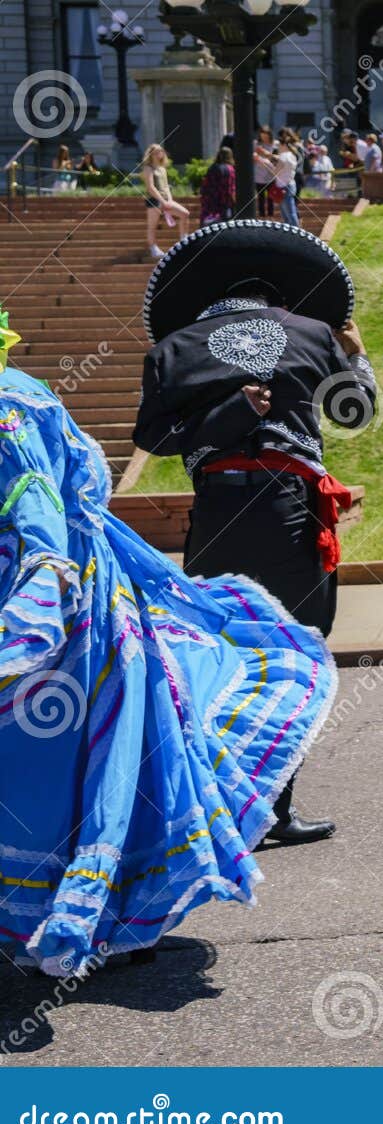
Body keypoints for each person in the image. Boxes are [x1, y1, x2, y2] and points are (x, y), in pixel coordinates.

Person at [0, 310, 339, 976]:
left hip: (69, 611)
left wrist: (40, 585)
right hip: (74, 591)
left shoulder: (11, 405)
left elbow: (37, 495)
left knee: (99, 760)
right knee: (88, 757)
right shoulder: (170, 362)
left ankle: (114, 907)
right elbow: (150, 437)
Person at [134, 219, 381, 845]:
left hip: (215, 519)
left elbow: (152, 440)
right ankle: (275, 808)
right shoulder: (312, 333)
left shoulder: (174, 349)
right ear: (277, 298)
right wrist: (357, 352)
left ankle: (217, 803)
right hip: (289, 516)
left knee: (219, 655)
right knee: (292, 654)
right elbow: (358, 412)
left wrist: (222, 417)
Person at [140, 144, 189, 259]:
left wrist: (169, 200)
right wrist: (162, 201)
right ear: (151, 154)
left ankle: (184, 240)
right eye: (156, 152)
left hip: (166, 200)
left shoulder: (162, 168)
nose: (159, 154)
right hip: (154, 201)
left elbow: (166, 186)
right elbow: (150, 187)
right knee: (152, 226)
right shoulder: (148, 168)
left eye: (161, 151)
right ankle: (153, 249)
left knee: (185, 214)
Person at [199, 145, 237, 225]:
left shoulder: (212, 167)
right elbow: (231, 188)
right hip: (225, 203)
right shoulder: (230, 169)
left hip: (210, 202)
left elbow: (205, 185)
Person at [273, 143, 301, 227]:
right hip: (290, 185)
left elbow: (275, 172)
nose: (277, 148)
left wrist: (267, 164)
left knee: (288, 215)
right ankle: (293, 235)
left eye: (279, 145)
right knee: (290, 214)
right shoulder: (292, 156)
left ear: (284, 146)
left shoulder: (284, 156)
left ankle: (295, 236)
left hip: (284, 187)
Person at [253, 127, 277, 217]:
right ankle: (262, 217)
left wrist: (265, 155)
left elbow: (277, 158)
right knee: (261, 198)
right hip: (258, 175)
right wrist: (255, 157)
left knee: (271, 197)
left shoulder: (275, 144)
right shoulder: (256, 144)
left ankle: (271, 217)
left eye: (266, 137)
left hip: (270, 174)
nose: (264, 139)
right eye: (262, 136)